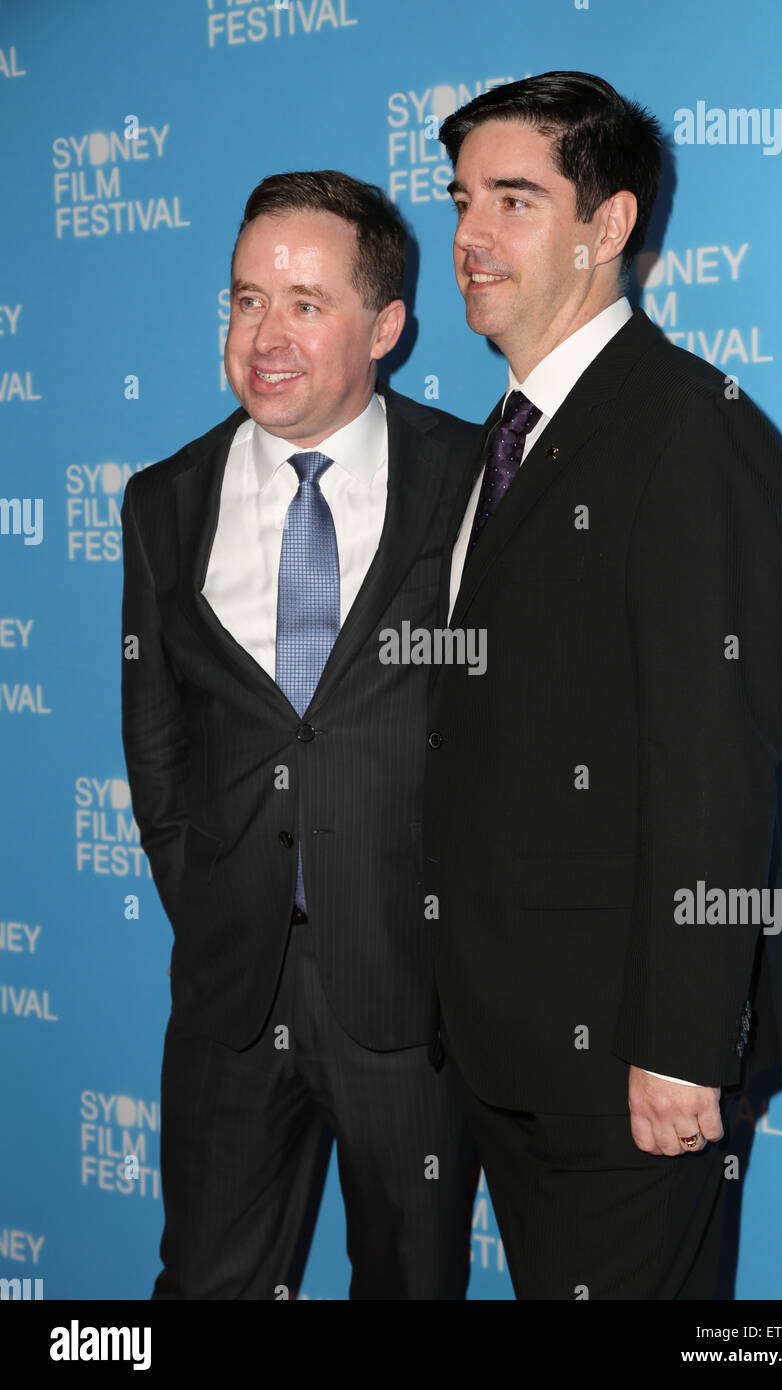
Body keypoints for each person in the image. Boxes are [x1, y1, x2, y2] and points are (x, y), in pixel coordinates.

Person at [424, 71, 782, 1299]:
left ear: (608, 225)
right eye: (460, 199)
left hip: (631, 1060)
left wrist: (681, 1046)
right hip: (506, 1037)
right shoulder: (502, 439)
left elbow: (715, 760)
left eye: (514, 200)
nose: (470, 235)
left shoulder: (688, 430)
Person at [121, 170, 479, 1300]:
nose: (264, 338)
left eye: (306, 304)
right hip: (228, 997)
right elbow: (158, 747)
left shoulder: (474, 480)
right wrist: (213, 904)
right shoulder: (164, 498)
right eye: (246, 301)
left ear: (384, 326)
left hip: (412, 999)